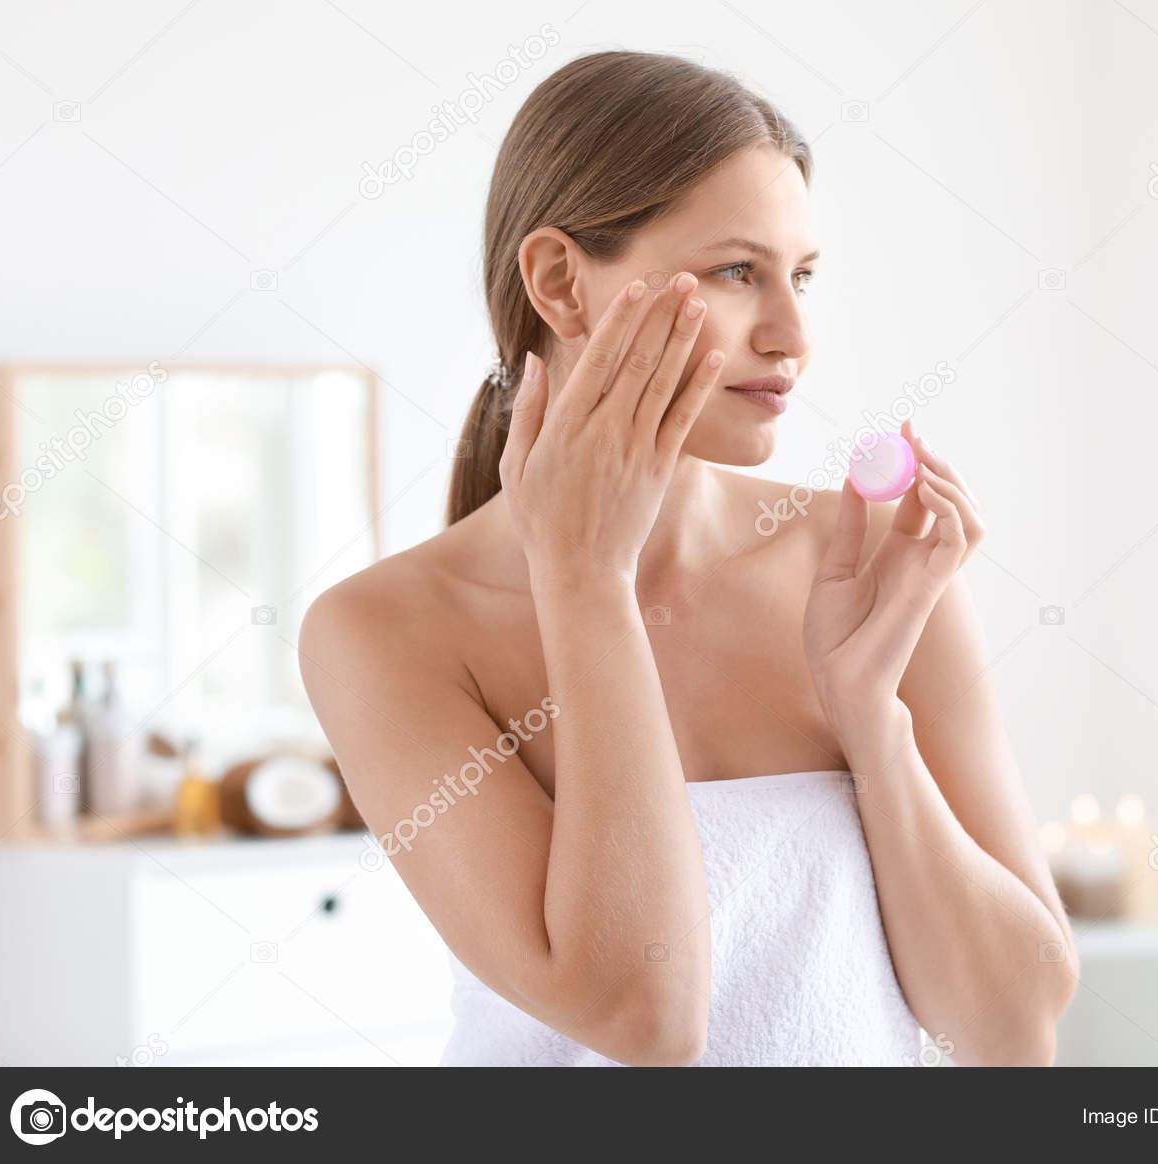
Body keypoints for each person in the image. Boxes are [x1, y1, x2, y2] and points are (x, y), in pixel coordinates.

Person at [300, 50, 1076, 1066]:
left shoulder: (871, 569)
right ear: (560, 283)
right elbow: (644, 1020)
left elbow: (1009, 1030)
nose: (792, 334)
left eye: (802, 275)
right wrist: (586, 582)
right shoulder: (384, 632)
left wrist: (871, 724)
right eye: (736, 272)